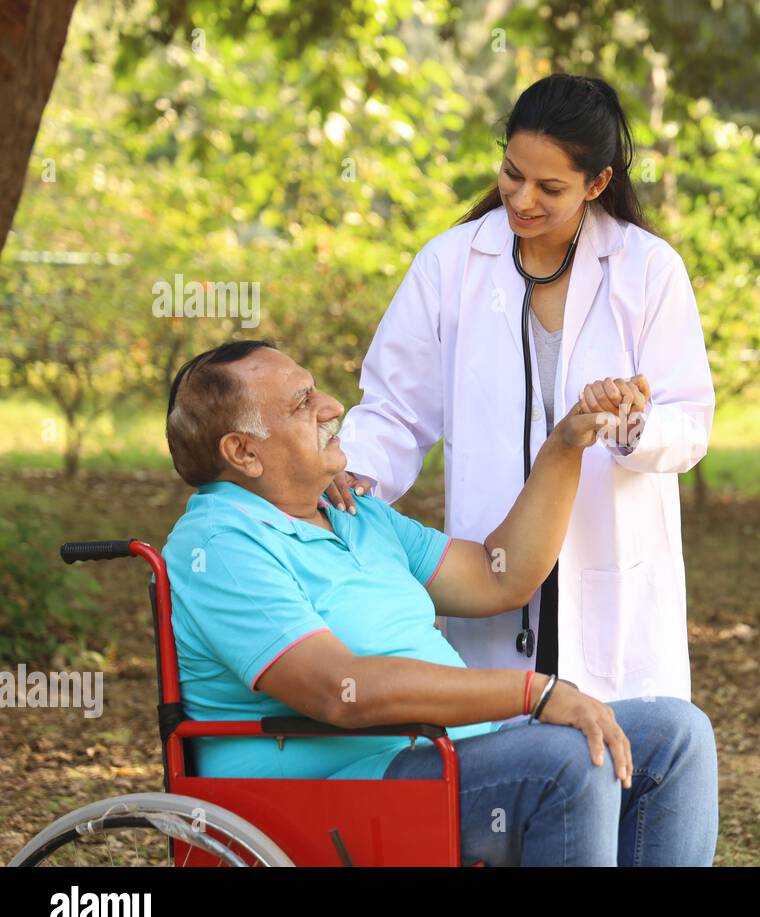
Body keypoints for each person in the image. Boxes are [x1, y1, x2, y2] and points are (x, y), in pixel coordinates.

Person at [161, 340, 718, 866]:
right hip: (323, 797)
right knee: (567, 762)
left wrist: (565, 445)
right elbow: (338, 690)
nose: (332, 407)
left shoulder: (354, 514)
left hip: (443, 759)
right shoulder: (220, 544)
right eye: (302, 403)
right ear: (243, 452)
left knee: (674, 736)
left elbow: (498, 577)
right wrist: (534, 693)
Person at [328, 73, 714, 702]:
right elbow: (394, 409)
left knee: (625, 740)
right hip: (494, 561)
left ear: (597, 184)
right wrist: (353, 472)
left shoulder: (648, 270)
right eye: (513, 174)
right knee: (506, 739)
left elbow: (689, 422)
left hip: (607, 561)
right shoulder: (450, 264)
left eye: (550, 188)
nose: (523, 199)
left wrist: (633, 423)